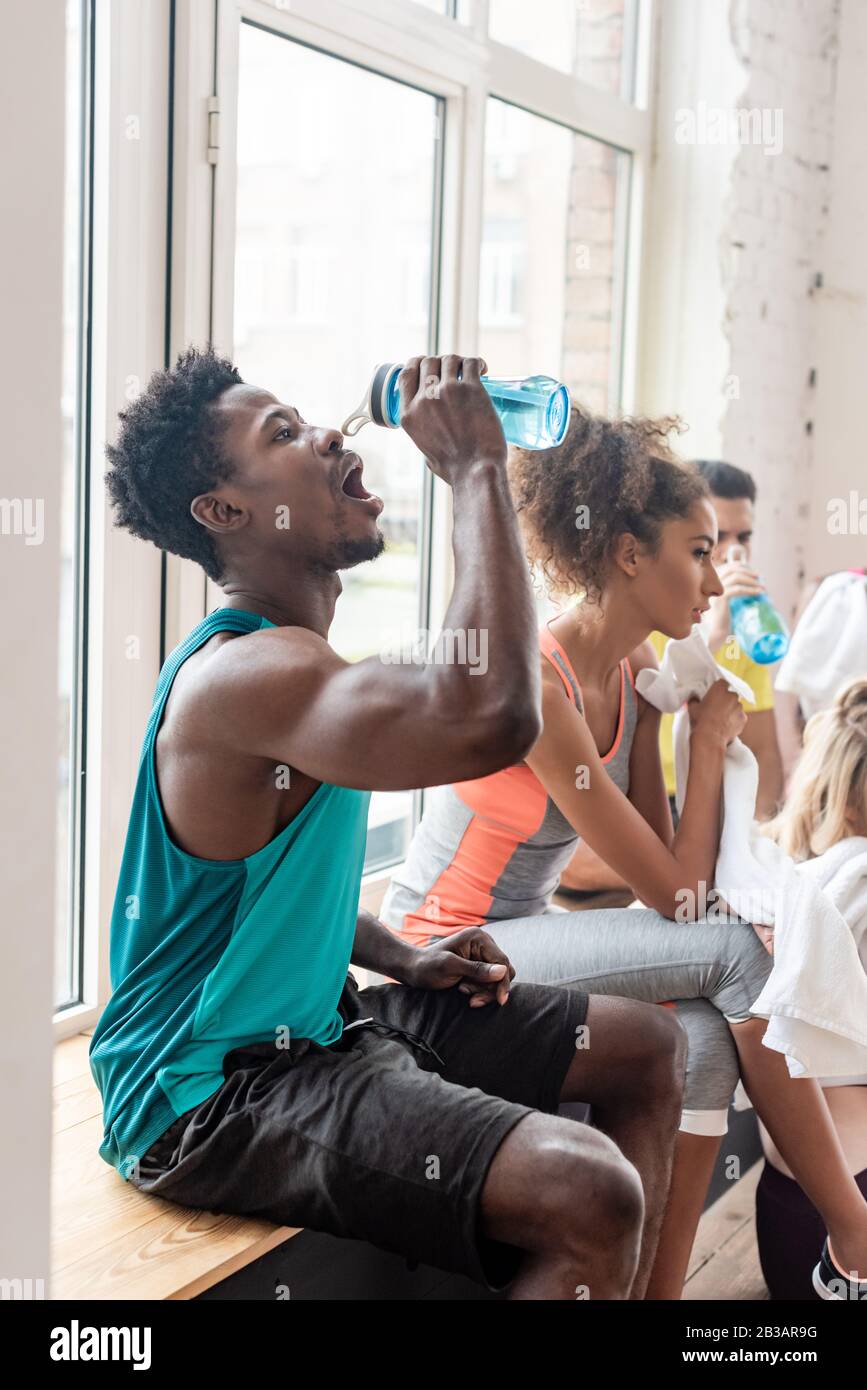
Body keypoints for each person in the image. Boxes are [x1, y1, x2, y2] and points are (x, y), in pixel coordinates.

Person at [88, 347, 688, 1302]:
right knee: (588, 1189)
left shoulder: (300, 666)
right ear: (224, 512)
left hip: (315, 1024)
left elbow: (248, 896)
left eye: (305, 417)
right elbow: (493, 712)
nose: (326, 434)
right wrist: (477, 469)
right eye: (280, 434)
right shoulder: (251, 677)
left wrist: (399, 955)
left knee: (649, 1050)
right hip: (209, 1092)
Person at [380, 402, 867, 1300]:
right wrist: (710, 746)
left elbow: (662, 886)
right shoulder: (538, 684)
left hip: (518, 942)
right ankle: (856, 1240)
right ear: (628, 555)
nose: (716, 585)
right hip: (437, 954)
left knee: (699, 1036)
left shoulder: (629, 674)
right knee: (736, 952)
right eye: (698, 552)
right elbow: (684, 901)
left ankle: (661, 1299)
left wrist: (672, 729)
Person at [558, 459, 782, 899]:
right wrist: (709, 645)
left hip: (687, 817)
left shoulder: (741, 631)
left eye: (744, 538)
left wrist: (746, 852)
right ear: (632, 554)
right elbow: (581, 865)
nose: (729, 562)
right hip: (609, 852)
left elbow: (766, 763)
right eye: (706, 548)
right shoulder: (621, 640)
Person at [753, 676, 867, 1299]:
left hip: (791, 1221)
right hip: (851, 1220)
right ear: (852, 801)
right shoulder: (856, 880)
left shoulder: (785, 881)